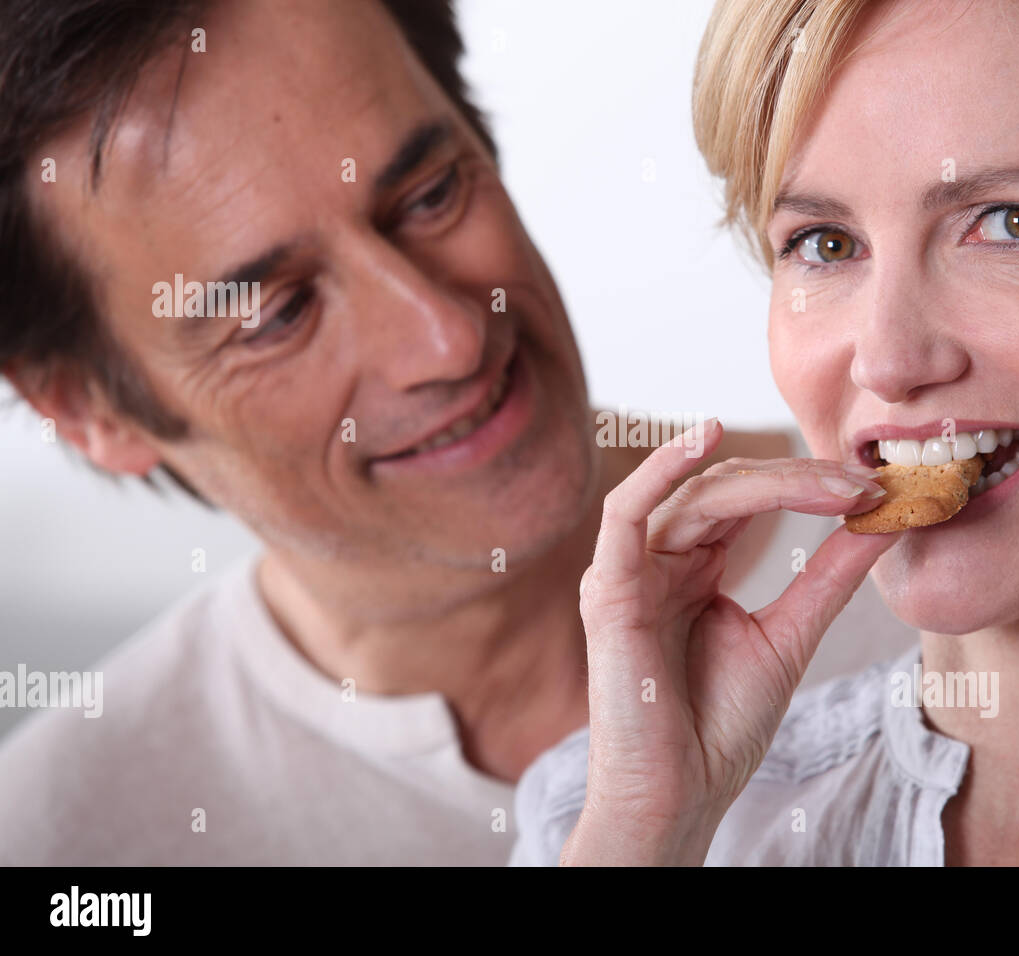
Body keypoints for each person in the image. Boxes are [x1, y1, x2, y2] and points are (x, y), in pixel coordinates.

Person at [0, 0, 913, 864]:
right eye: (280, 314)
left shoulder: (963, 568)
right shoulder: (66, 835)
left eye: (431, 195)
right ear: (89, 412)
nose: (448, 336)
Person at [511, 0, 1019, 866]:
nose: (886, 361)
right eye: (824, 242)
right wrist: (650, 831)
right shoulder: (599, 818)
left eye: (1012, 222)